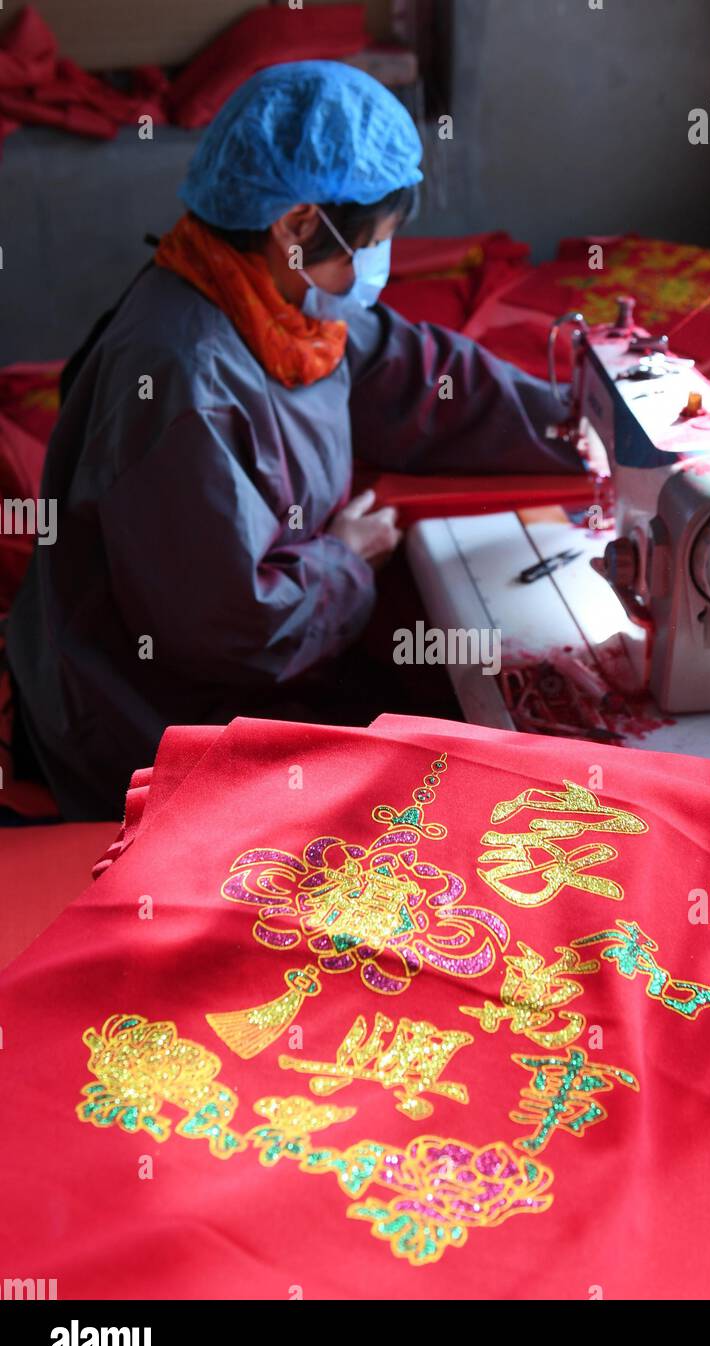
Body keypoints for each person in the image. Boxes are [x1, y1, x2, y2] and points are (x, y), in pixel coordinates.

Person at [7, 61, 583, 821]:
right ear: (298, 224)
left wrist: (572, 422)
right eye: (372, 243)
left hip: (246, 647)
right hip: (153, 723)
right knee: (467, 787)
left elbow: (413, 374)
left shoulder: (270, 298)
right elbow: (233, 631)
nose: (377, 266)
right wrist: (346, 557)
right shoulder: (181, 380)